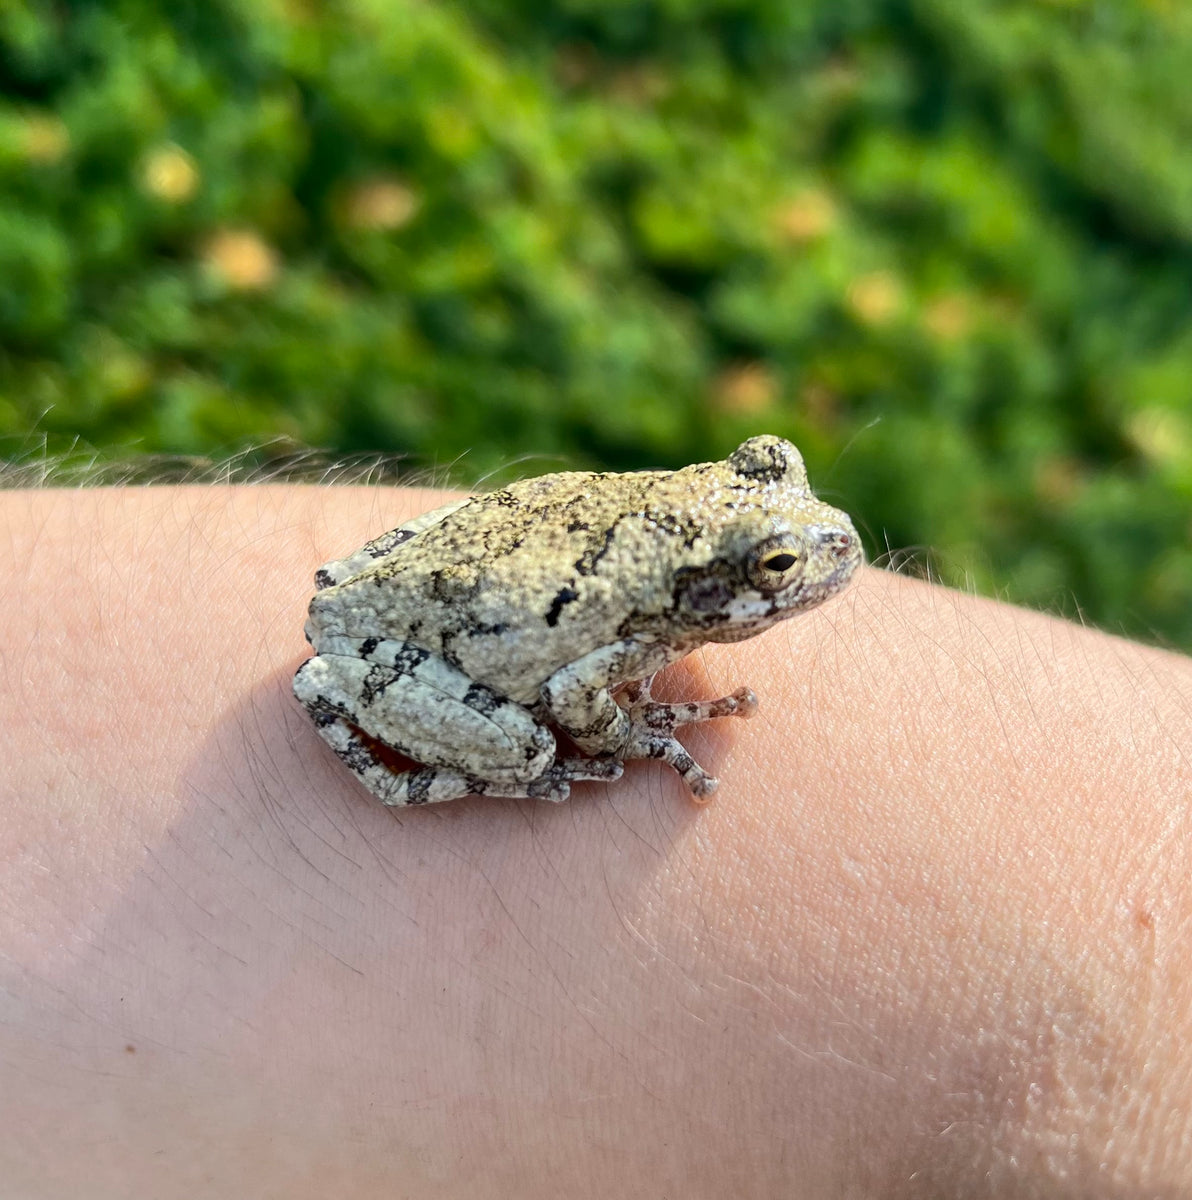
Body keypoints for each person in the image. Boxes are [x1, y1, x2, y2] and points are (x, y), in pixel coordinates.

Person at [2, 483, 1189, 1198]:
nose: (822, 550)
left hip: (433, 576)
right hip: (426, 644)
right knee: (542, 748)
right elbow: (573, 689)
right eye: (777, 568)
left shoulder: (670, 565)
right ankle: (452, 774)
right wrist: (627, 731)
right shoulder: (635, 631)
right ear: (707, 592)